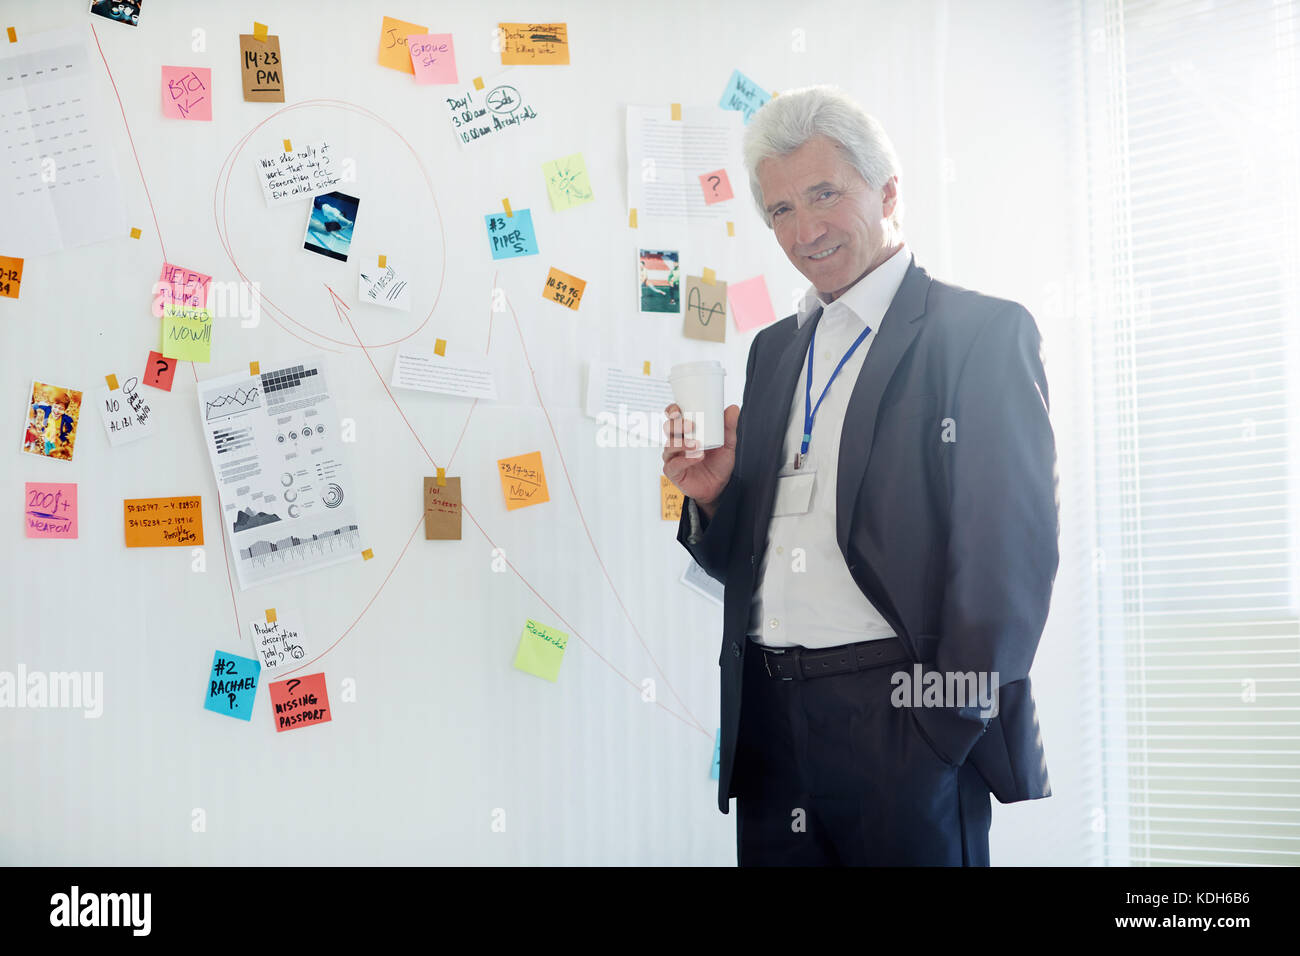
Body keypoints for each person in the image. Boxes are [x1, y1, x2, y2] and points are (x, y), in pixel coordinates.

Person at [662, 85, 1059, 866]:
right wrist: (712, 504)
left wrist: (938, 733)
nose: (805, 230)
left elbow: (1008, 564)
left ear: (887, 191)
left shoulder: (978, 335)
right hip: (772, 723)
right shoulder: (775, 351)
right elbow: (754, 560)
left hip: (902, 721)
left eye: (824, 195)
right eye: (779, 211)